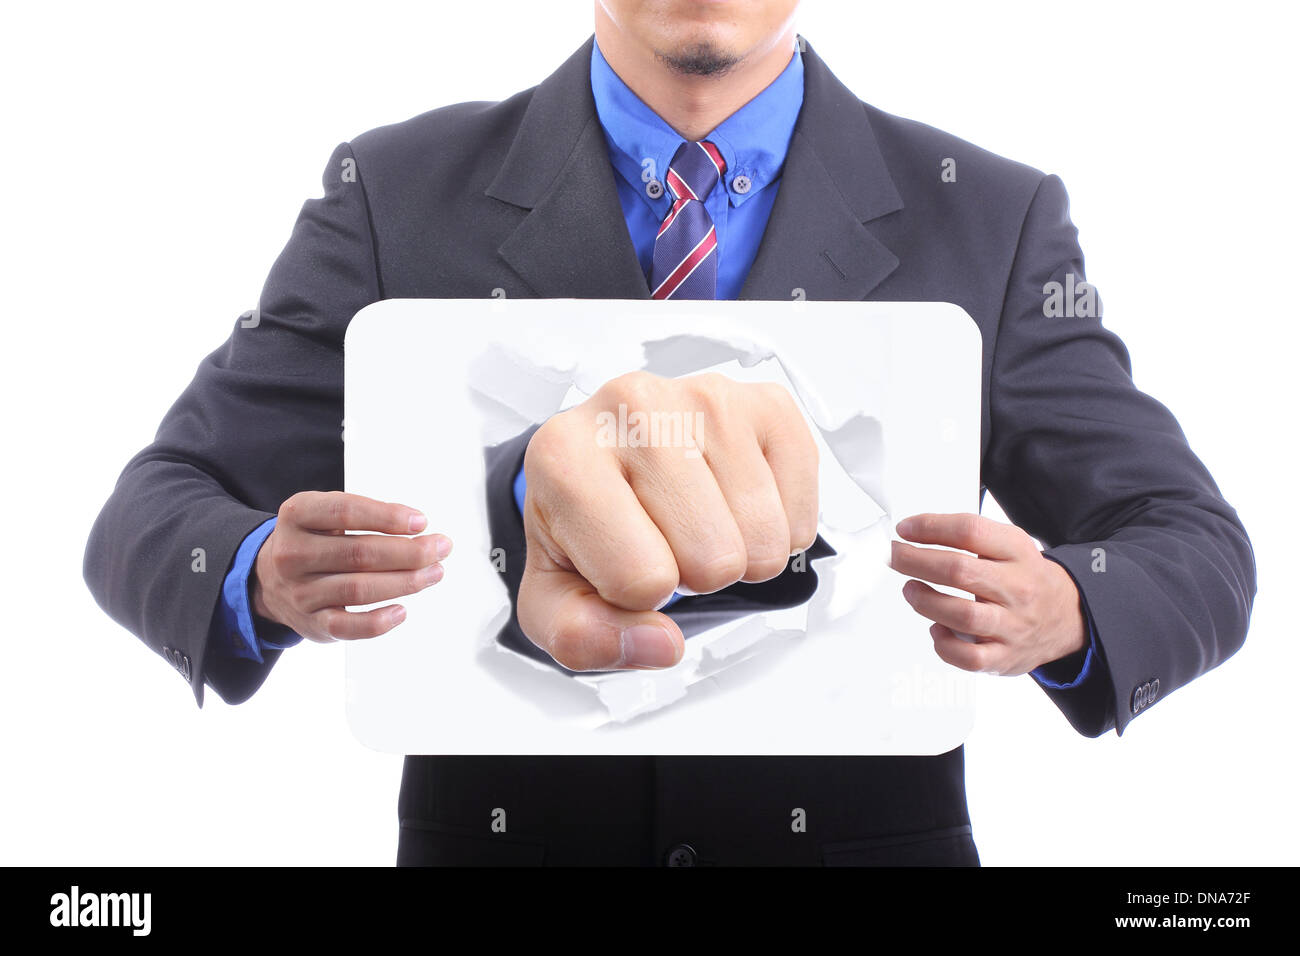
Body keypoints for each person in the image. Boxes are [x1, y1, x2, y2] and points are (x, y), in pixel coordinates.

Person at [83, 0, 1256, 866]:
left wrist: (1066, 605)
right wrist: (257, 574)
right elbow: (152, 509)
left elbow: (1190, 542)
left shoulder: (991, 215)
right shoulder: (394, 193)